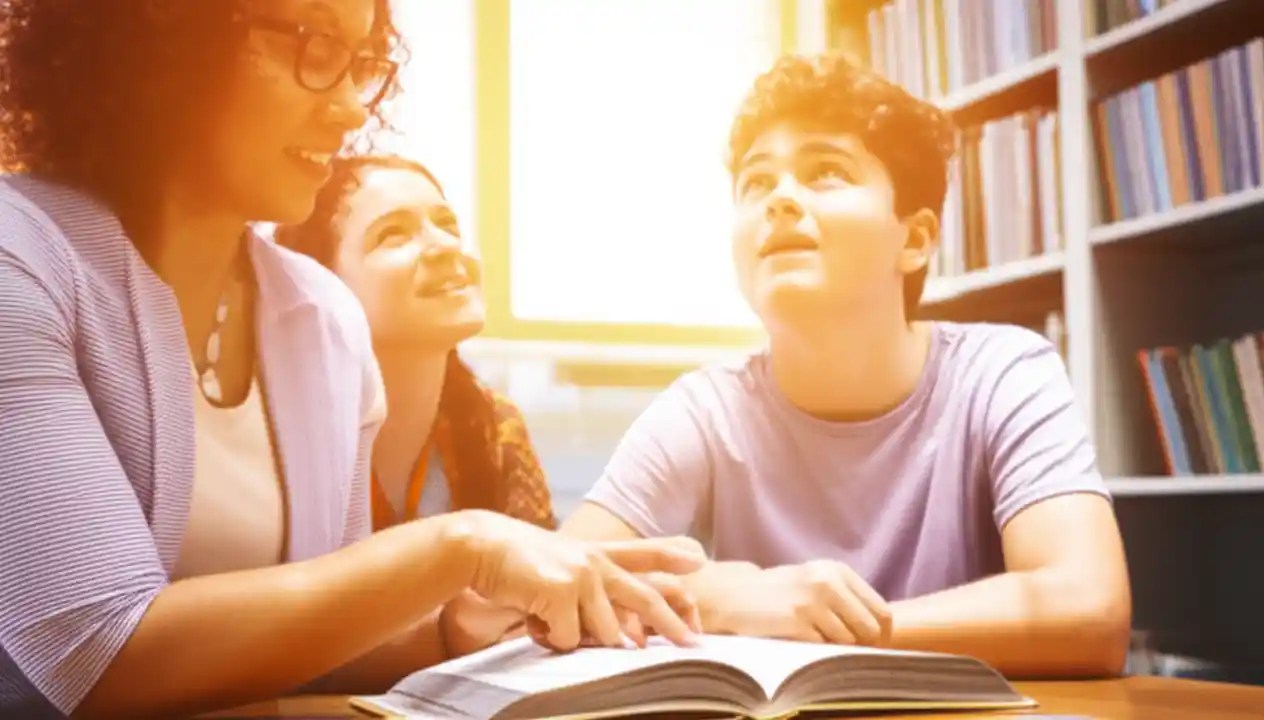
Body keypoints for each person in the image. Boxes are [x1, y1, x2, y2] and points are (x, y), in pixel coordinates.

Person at [0, 3, 699, 718]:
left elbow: (306, 641)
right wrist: (463, 547)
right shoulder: (20, 261)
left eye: (360, 61)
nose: (348, 107)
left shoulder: (324, 319)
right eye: (312, 47)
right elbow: (95, 653)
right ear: (168, 37)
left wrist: (454, 625)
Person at [562, 51, 1132, 678]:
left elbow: (1089, 608)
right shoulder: (705, 410)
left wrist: (820, 630)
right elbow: (536, 596)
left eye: (826, 172)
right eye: (756, 182)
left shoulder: (1004, 372)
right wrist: (724, 595)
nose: (779, 200)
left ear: (914, 240)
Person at [277, 155, 555, 533]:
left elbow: (546, 581)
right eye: (393, 234)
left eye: (447, 225)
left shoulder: (494, 429)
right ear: (320, 282)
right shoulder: (277, 438)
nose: (444, 246)